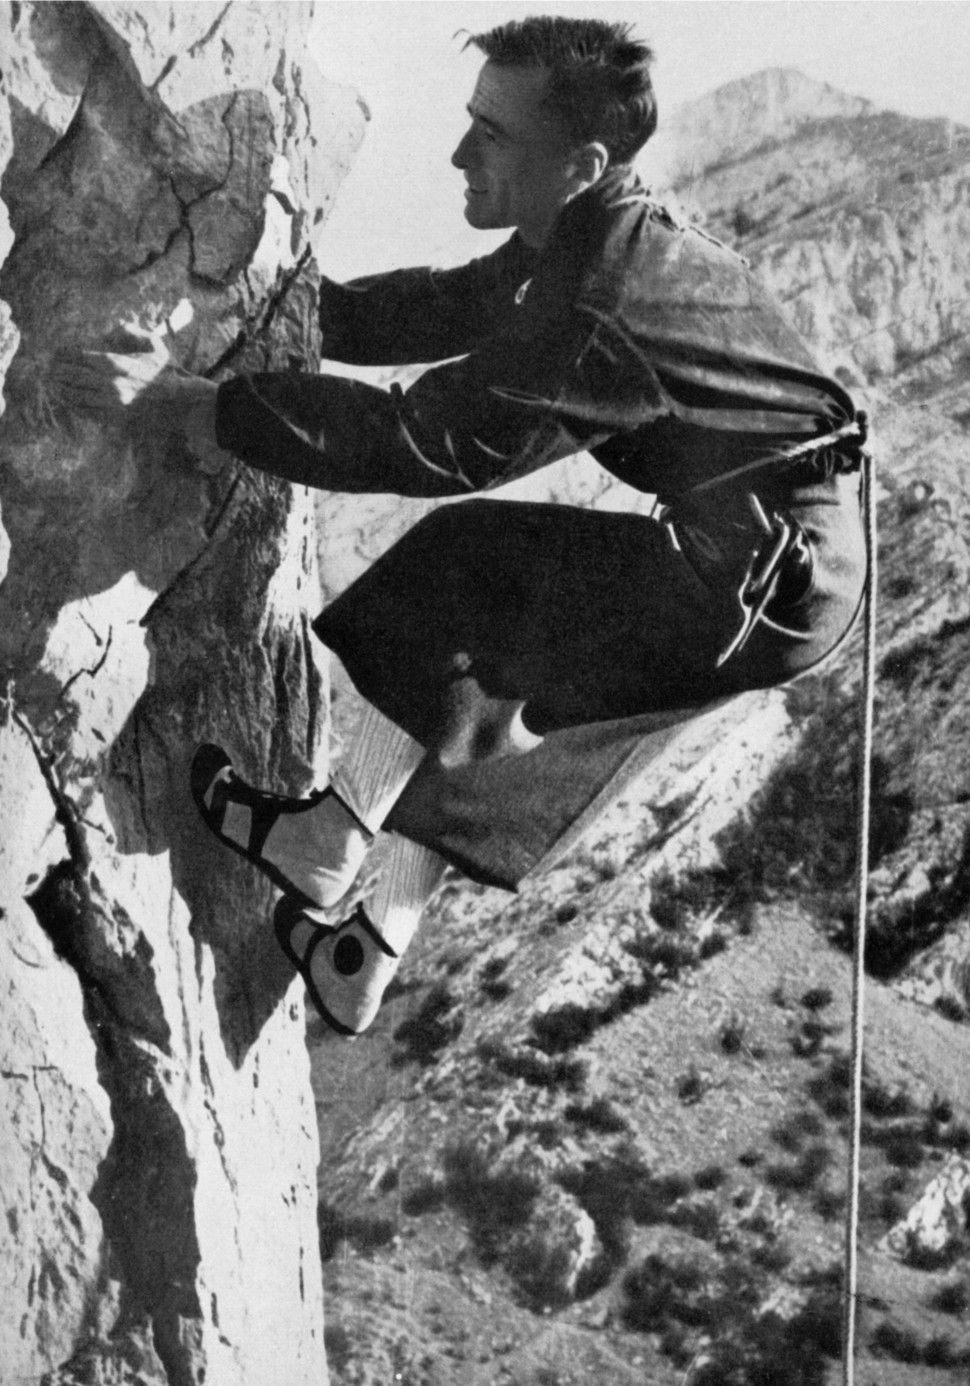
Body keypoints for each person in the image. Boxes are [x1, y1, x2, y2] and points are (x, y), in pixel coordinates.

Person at [54, 17, 869, 1037]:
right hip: (774, 561)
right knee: (487, 652)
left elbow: (435, 446)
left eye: (492, 136)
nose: (456, 154)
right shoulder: (582, 232)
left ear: (579, 164)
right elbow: (452, 308)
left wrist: (200, 410)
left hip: (764, 580)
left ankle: (328, 839)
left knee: (469, 569)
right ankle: (359, 943)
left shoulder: (602, 296)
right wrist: (297, 303)